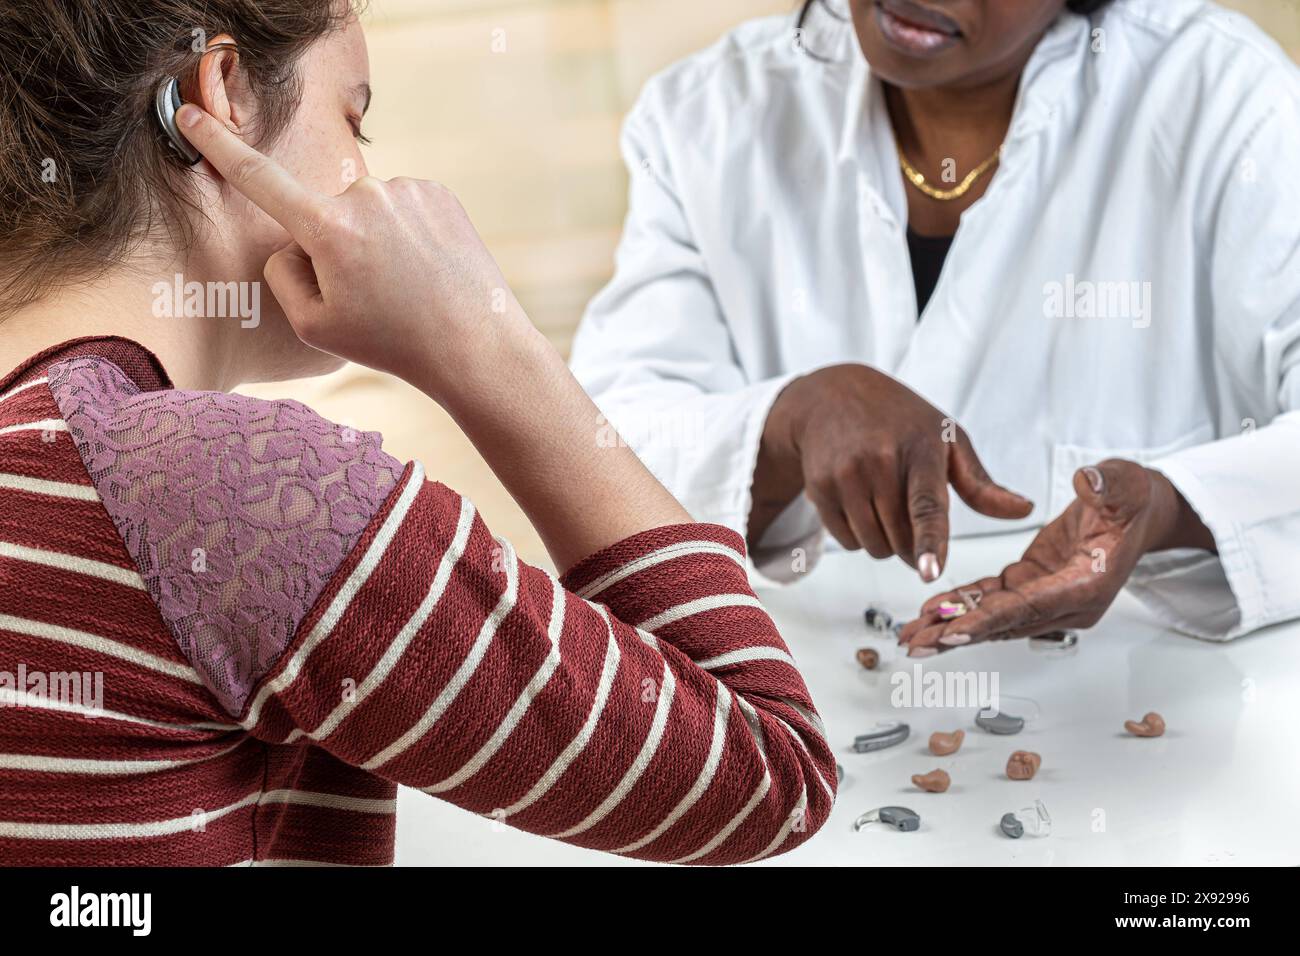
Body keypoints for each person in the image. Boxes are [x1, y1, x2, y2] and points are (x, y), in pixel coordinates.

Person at [0, 0, 835, 866]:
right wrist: (481, 339)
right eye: (354, 120)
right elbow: (772, 774)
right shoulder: (219, 490)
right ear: (218, 102)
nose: (369, 174)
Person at [570, 0, 1300, 651]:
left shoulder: (1222, 98)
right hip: (808, 717)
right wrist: (785, 421)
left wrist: (1172, 508)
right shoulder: (709, 113)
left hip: (1171, 723)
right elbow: (597, 453)